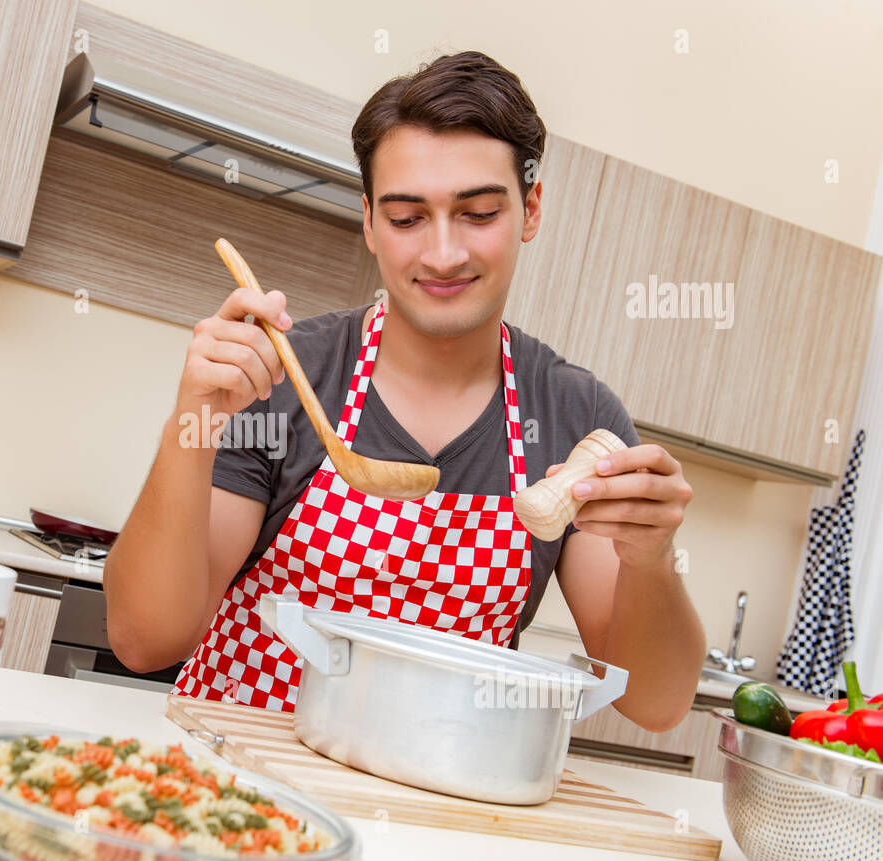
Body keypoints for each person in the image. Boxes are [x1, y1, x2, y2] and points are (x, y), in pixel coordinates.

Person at [104, 50, 705, 731]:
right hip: (240, 794)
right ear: (368, 222)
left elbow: (655, 704)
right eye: (407, 218)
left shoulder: (574, 416)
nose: (444, 254)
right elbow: (143, 637)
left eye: (478, 212)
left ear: (530, 208)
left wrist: (652, 557)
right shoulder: (283, 377)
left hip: (437, 809)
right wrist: (194, 422)